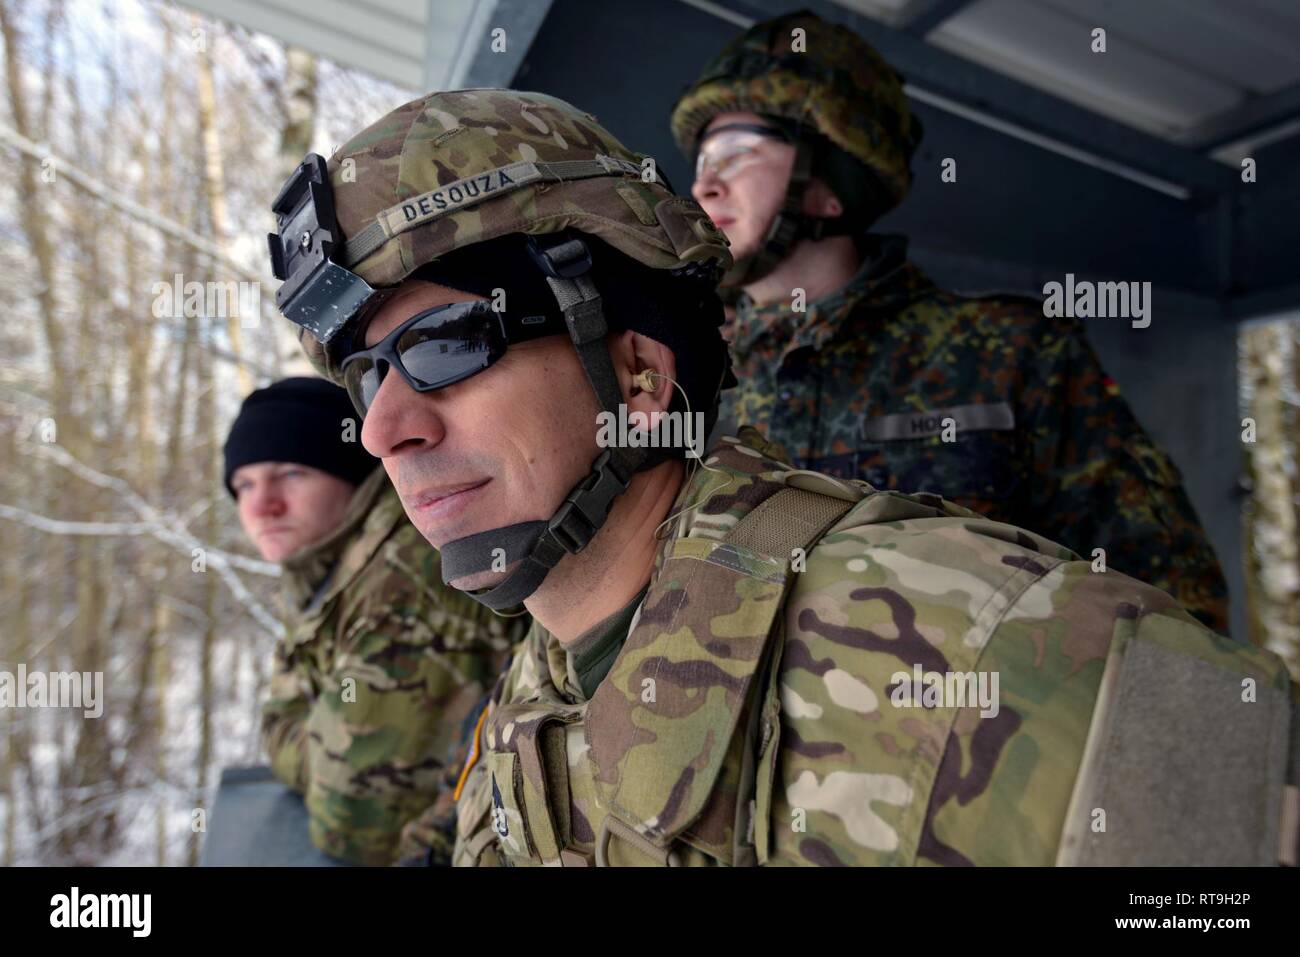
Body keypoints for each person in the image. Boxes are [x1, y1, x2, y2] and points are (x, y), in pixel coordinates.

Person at [267, 89, 1297, 867]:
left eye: (446, 346)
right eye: (363, 379)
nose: (386, 427)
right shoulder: (538, 688)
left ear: (638, 375)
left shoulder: (970, 647)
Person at [668, 9, 1230, 634]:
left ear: (832, 185)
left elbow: (1174, 600)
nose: (705, 186)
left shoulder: (1010, 353)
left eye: (740, 152)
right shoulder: (675, 369)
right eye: (701, 161)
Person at [222, 377, 523, 864]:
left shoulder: (407, 574)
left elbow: (356, 815)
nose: (261, 506)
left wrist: (301, 737)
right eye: (244, 485)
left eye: (291, 473)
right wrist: (313, 745)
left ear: (351, 474)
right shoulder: (330, 568)